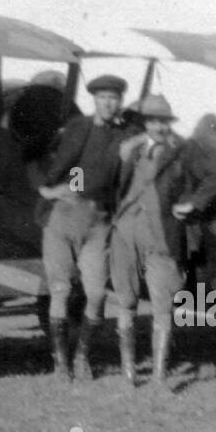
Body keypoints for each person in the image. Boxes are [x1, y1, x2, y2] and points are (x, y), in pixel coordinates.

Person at [109, 93, 216, 389]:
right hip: (125, 234)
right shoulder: (132, 150)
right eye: (152, 121)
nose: (159, 127)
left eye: (164, 121)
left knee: (163, 307)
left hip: (162, 239)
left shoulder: (186, 150)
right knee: (125, 301)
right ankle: (129, 375)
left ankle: (160, 377)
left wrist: (192, 203)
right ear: (144, 123)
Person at [37, 73, 138, 380]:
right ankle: (60, 363)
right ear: (94, 100)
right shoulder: (78, 128)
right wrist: (50, 191)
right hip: (64, 218)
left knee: (96, 293)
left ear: (121, 102)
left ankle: (82, 357)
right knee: (60, 289)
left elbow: (145, 141)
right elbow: (50, 169)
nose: (108, 104)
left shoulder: (127, 133)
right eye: (103, 98)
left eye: (114, 99)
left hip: (99, 222)